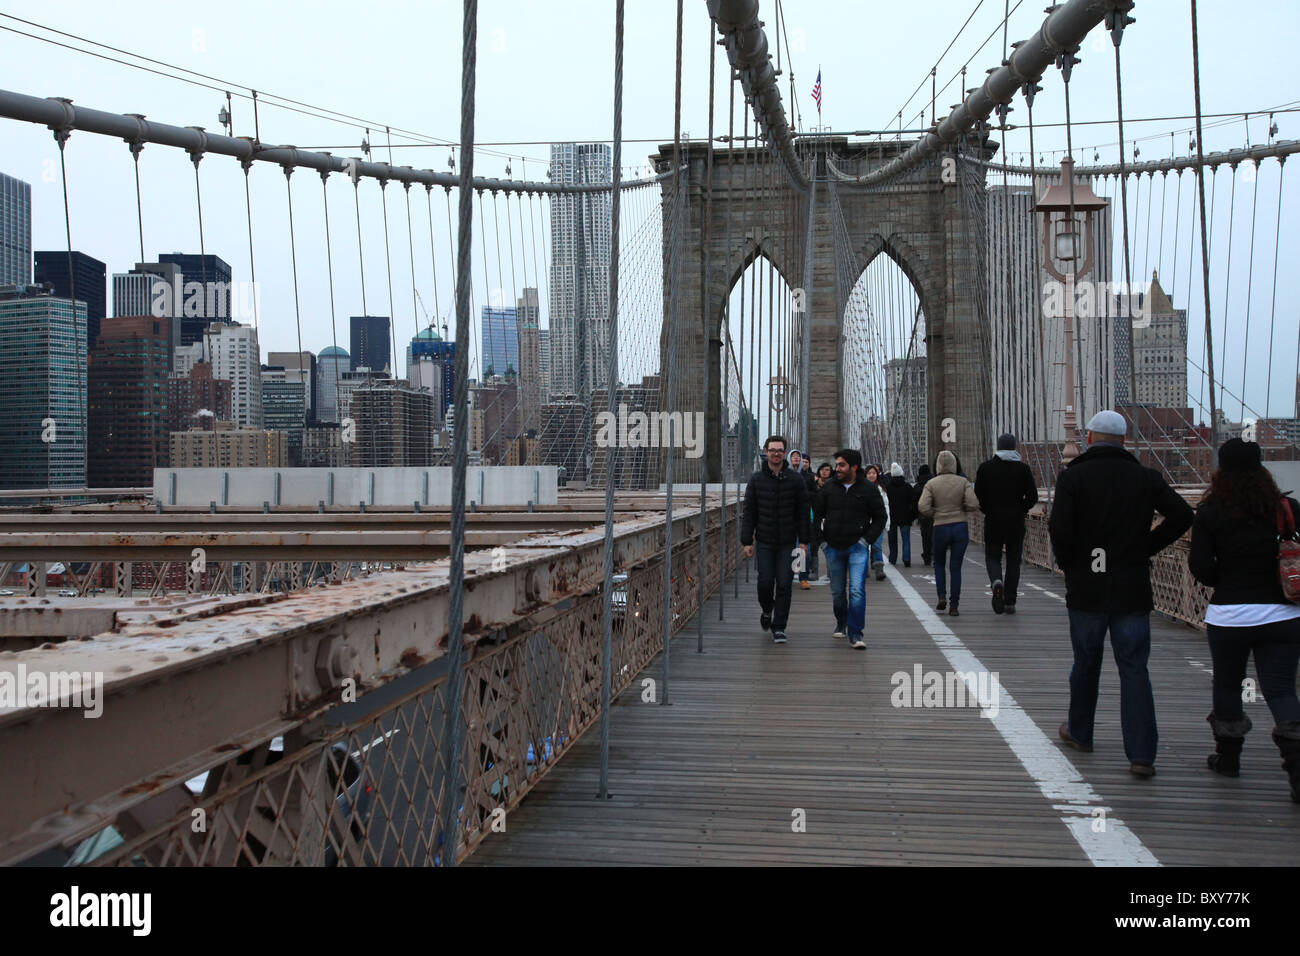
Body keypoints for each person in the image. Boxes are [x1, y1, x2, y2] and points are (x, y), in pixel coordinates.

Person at [1048, 409, 1194, 778]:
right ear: (1124, 441)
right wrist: (1147, 546)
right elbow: (1182, 515)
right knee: (1134, 669)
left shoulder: (1073, 478)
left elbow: (1059, 529)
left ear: (1091, 438)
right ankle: (1142, 754)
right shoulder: (1145, 478)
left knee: (1086, 662)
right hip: (1131, 586)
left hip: (1087, 587)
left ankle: (1081, 732)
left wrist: (1072, 566)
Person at [1188, 438, 1300, 802]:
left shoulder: (1210, 511)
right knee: (1281, 690)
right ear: (1262, 467)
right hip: (1283, 614)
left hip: (1231, 615)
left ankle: (1228, 759)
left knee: (1227, 685)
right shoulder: (1287, 508)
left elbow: (1201, 568)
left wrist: (1228, 578)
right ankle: (1297, 769)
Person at [814, 448, 887, 650]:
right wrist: (822, 542)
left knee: (856, 590)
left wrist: (866, 541)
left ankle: (856, 633)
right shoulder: (828, 488)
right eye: (837, 464)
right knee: (838, 592)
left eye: (841, 465)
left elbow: (881, 517)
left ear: (854, 467)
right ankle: (841, 621)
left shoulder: (868, 489)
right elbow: (816, 515)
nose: (836, 468)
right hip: (833, 547)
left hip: (857, 547)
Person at [741, 435, 810, 644]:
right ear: (766, 451)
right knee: (764, 582)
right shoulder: (756, 480)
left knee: (785, 584)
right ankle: (766, 609)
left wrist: (804, 542)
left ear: (784, 452)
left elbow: (803, 513)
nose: (776, 453)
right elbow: (749, 511)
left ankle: (779, 626)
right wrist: (747, 541)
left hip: (787, 542)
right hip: (764, 541)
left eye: (780, 450)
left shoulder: (795, 480)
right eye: (772, 450)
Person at [974, 433, 1039, 614]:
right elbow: (1032, 496)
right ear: (1014, 447)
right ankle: (1010, 601)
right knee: (1013, 560)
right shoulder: (1023, 469)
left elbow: (978, 495)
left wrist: (988, 509)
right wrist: (1022, 508)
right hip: (1015, 521)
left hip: (993, 520)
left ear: (998, 447)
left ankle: (996, 580)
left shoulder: (985, 468)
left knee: (993, 556)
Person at [918, 449, 979, 616]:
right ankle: (954, 605)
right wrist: (962, 509)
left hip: (940, 527)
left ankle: (941, 596)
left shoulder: (931, 484)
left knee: (938, 563)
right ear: (955, 464)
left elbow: (922, 506)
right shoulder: (963, 481)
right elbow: (974, 504)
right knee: (955, 567)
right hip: (960, 527)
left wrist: (935, 513)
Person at [788, 450, 819, 589]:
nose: (796, 459)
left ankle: (803, 578)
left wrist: (803, 494)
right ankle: (787, 577)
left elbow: (814, 494)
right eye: (793, 457)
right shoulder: (783, 474)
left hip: (803, 515)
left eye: (798, 457)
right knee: (787, 549)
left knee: (803, 548)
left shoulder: (808, 477)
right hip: (787, 516)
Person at [885, 462, 916, 568]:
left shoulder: (888, 487)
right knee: (906, 539)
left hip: (892, 517)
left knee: (892, 539)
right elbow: (913, 502)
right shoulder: (908, 487)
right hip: (906, 516)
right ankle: (906, 558)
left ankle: (893, 558)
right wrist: (912, 515)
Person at [864, 464, 890, 581]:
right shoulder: (861, 488)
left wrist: (887, 522)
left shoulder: (882, 488)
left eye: (874, 473)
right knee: (863, 547)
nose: (871, 475)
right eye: (869, 473)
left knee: (877, 546)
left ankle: (879, 570)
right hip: (864, 522)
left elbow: (886, 507)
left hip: (877, 522)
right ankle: (863, 570)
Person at [913, 463, 934, 566]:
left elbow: (914, 501)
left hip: (922, 515)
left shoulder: (917, 486)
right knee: (934, 535)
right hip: (934, 513)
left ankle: (927, 556)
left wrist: (915, 515)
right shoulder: (934, 483)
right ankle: (934, 554)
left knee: (925, 537)